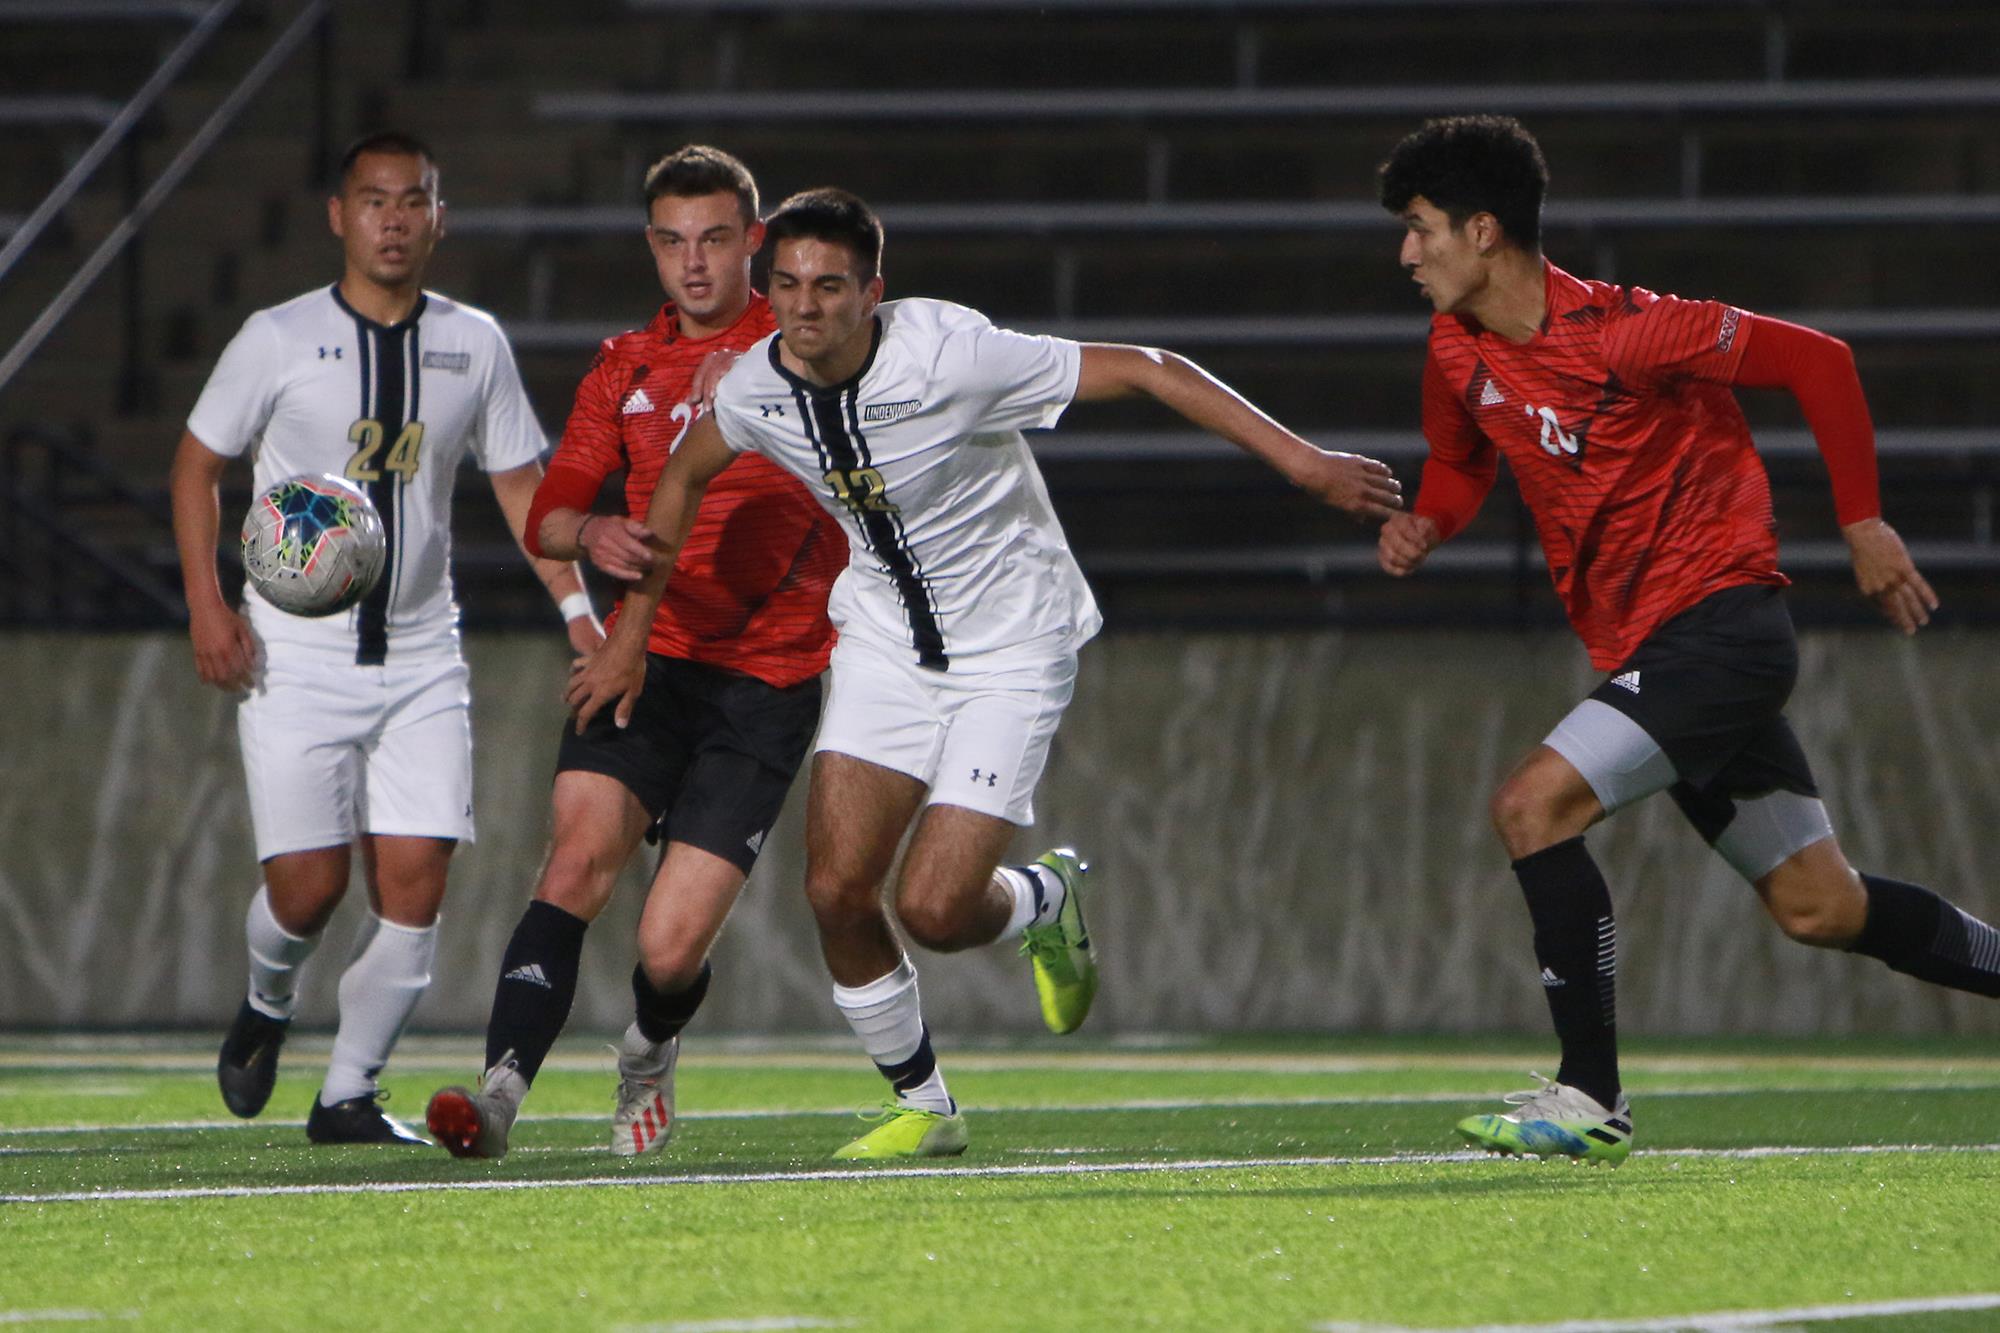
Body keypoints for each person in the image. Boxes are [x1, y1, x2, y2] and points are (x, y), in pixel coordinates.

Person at [568, 187, 1403, 1159]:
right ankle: (924, 1103)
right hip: (883, 646)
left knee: (935, 909)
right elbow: (681, 473)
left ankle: (1043, 901)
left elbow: (1145, 367)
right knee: (836, 891)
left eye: (830, 286)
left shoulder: (951, 355)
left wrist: (1301, 464)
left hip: (1011, 645)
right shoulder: (756, 388)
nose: (804, 306)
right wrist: (629, 634)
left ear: (871, 292)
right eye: (788, 283)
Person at [1374, 115, 2000, 1166]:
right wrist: (1428, 521)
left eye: (1419, 228)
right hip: (1652, 651)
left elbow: (1820, 362)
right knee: (1818, 906)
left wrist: (1859, 522)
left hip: (1718, 629)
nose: (1405, 252)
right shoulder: (1454, 352)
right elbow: (1462, 464)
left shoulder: (1630, 330)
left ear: (1482, 231)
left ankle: (1590, 1097)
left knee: (1530, 806)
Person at [170, 131, 597, 1145]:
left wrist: (579, 610)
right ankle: (268, 1001)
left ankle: (348, 1095)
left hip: (419, 654)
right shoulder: (275, 337)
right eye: (374, 201)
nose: (394, 219)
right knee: (307, 890)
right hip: (293, 654)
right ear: (338, 215)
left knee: (414, 884)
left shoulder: (474, 342)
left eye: (414, 201)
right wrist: (206, 603)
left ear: (439, 217)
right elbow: (195, 467)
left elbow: (520, 486)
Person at [423, 146, 848, 1160]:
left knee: (666, 948)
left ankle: (649, 1048)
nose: (693, 264)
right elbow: (554, 507)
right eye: (671, 241)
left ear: (753, 241)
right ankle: (495, 1094)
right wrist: (591, 534)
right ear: (650, 247)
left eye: (714, 240)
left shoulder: (801, 341)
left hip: (766, 679)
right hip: (642, 661)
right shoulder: (624, 367)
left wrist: (749, 383)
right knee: (573, 859)